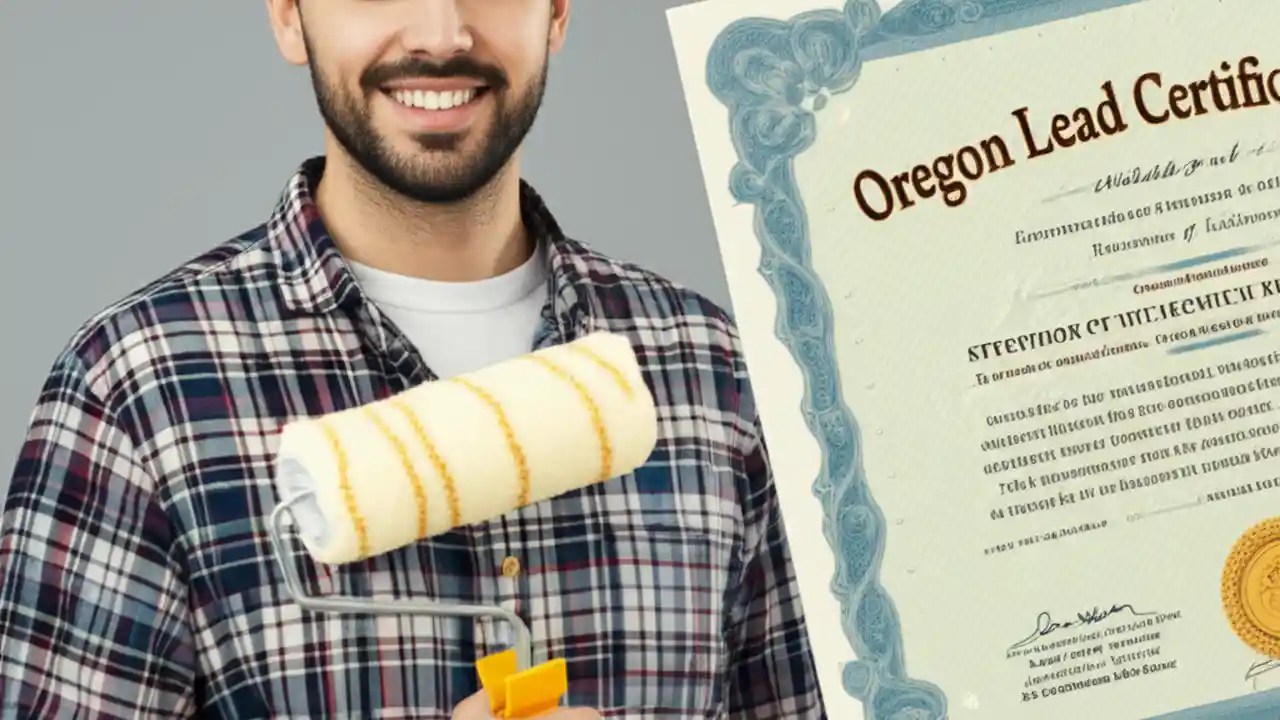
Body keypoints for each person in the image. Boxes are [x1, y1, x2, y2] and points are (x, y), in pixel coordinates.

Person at [0, 1, 826, 717]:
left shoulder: (710, 373)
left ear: (558, 11)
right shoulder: (138, 388)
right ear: (289, 13)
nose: (441, 31)